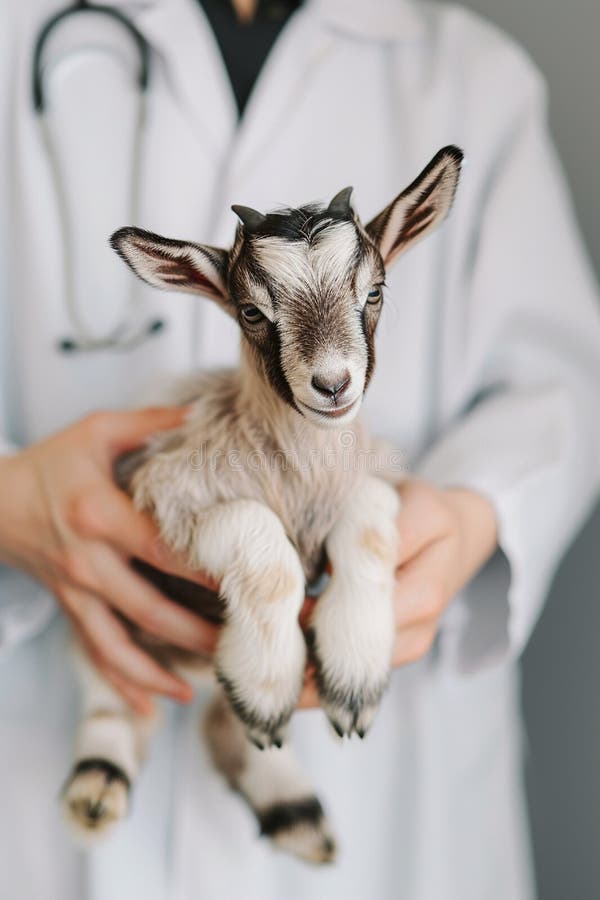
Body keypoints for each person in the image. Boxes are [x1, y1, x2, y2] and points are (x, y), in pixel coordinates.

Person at [1, 1, 599, 898]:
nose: (330, 365)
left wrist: (471, 515)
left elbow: (561, 385)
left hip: (397, 800)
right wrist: (7, 495)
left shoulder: (475, 76)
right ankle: (115, 741)